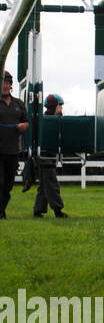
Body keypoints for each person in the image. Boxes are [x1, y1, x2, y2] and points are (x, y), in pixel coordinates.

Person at [0, 71, 29, 220]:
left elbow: (26, 121)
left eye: (7, 83)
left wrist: (23, 126)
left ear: (11, 85)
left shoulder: (19, 104)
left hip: (13, 151)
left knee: (8, 186)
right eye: (3, 82)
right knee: (0, 183)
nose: (5, 86)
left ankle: (1, 209)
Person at [33, 93, 68, 218]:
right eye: (60, 106)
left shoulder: (45, 119)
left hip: (45, 156)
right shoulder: (51, 121)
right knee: (52, 184)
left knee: (44, 185)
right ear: (55, 106)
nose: (61, 109)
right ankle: (58, 210)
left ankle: (38, 210)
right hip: (46, 157)